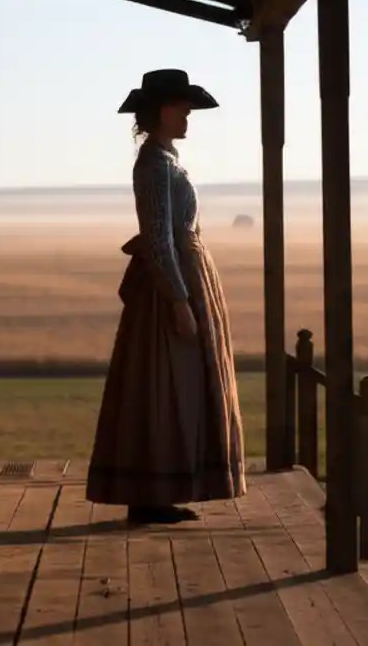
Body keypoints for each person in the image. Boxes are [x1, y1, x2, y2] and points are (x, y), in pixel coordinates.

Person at [86, 69, 246, 524]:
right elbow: (158, 237)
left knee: (178, 386)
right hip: (166, 291)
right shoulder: (154, 165)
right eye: (181, 109)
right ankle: (151, 492)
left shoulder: (166, 160)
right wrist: (177, 300)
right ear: (160, 112)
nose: (187, 117)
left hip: (183, 278)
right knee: (164, 386)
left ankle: (162, 490)